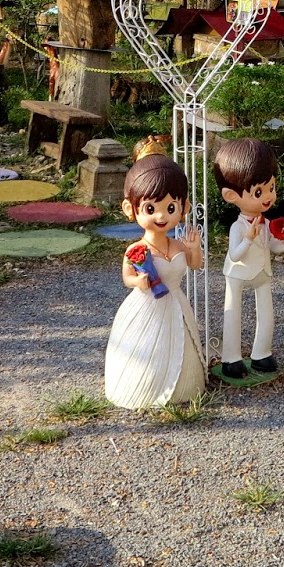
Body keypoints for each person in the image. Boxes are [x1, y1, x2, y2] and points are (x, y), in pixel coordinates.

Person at [103, 155, 205, 409]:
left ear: (184, 207)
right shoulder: (136, 249)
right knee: (148, 349)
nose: (161, 216)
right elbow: (126, 277)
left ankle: (184, 387)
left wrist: (195, 249)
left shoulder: (179, 245)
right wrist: (138, 281)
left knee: (182, 346)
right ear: (131, 209)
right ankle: (143, 390)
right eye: (151, 208)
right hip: (146, 306)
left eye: (171, 208)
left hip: (176, 304)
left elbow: (195, 265)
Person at [215, 137, 284, 381]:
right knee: (233, 312)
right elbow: (235, 254)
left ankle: (261, 353)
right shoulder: (238, 227)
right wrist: (248, 238)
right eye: (259, 192)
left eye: (271, 188)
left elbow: (270, 244)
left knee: (266, 312)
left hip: (261, 272)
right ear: (231, 195)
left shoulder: (266, 222)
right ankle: (231, 358)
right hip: (238, 273)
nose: (268, 196)